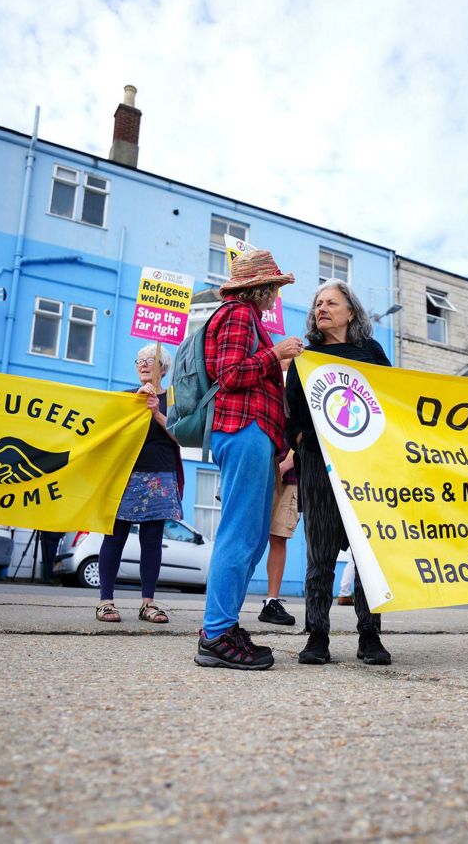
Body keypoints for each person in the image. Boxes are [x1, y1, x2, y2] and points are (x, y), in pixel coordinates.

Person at [195, 250, 304, 669]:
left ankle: (223, 625)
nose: (277, 294)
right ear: (260, 286)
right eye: (274, 286)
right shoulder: (238, 315)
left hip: (253, 434)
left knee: (254, 536)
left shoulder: (246, 318)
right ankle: (217, 632)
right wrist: (275, 355)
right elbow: (231, 374)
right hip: (243, 431)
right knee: (240, 534)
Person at [286, 279, 392, 665]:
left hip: (365, 466)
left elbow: (392, 402)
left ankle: (370, 636)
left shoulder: (372, 353)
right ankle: (317, 635)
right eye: (317, 303)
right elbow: (293, 413)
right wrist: (301, 443)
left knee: (369, 554)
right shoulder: (306, 359)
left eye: (331, 302)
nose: (322, 308)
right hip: (318, 463)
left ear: (351, 311)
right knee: (319, 554)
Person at [95, 344, 183, 624]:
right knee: (115, 536)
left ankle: (148, 604)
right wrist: (134, 402)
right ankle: (105, 602)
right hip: (125, 474)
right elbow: (105, 432)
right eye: (140, 361)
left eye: (151, 360)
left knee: (152, 540)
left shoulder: (175, 399)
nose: (144, 364)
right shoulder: (124, 398)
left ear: (164, 369)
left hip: (160, 475)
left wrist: (157, 412)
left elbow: (184, 437)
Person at [258, 428, 298, 626]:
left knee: (278, 536)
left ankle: (271, 601)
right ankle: (229, 601)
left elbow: (305, 430)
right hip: (258, 462)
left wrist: (285, 465)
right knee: (246, 536)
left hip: (287, 473)